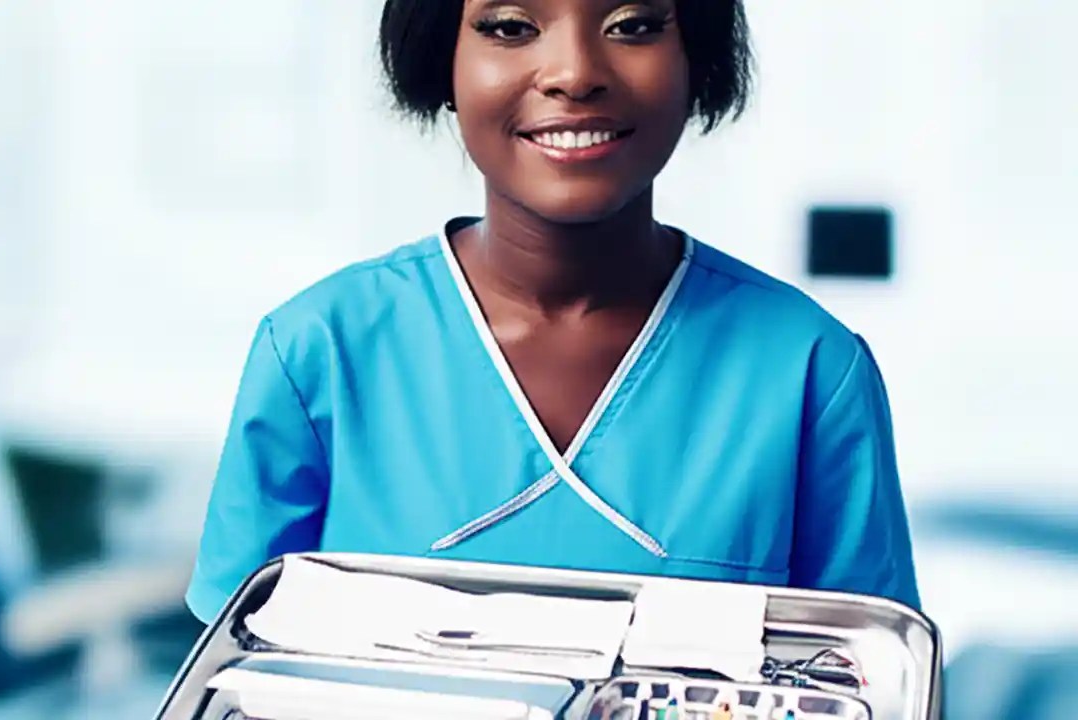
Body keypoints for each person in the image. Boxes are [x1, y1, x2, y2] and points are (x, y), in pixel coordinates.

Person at [186, 0, 921, 622]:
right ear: (440, 57)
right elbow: (235, 678)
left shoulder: (809, 371)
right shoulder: (319, 350)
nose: (574, 73)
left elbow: (869, 682)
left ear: (697, 58)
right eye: (509, 26)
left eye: (632, 25)